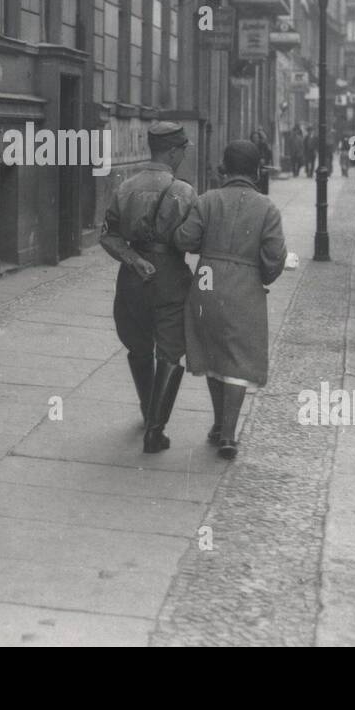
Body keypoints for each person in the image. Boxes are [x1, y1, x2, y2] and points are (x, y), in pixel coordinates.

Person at [175, 140, 287, 459]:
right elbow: (275, 255)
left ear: (224, 168)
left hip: (207, 281)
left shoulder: (207, 200)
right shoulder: (267, 208)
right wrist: (262, 277)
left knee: (213, 356)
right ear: (256, 171)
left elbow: (185, 239)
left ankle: (217, 424)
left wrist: (207, 248)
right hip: (245, 286)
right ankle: (228, 434)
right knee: (239, 360)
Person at [99, 121, 198, 452]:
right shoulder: (183, 191)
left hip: (132, 277)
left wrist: (133, 259)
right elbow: (190, 240)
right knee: (170, 350)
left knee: (138, 345)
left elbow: (108, 235)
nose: (184, 155)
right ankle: (155, 429)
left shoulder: (125, 187)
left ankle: (147, 409)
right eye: (182, 150)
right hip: (169, 276)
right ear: (171, 151)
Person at [249, 129, 273, 195]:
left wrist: (264, 160)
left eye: (256, 138)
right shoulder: (249, 146)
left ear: (259, 138)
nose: (255, 139)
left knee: (263, 184)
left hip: (262, 168)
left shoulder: (263, 146)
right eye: (254, 138)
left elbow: (269, 155)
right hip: (253, 168)